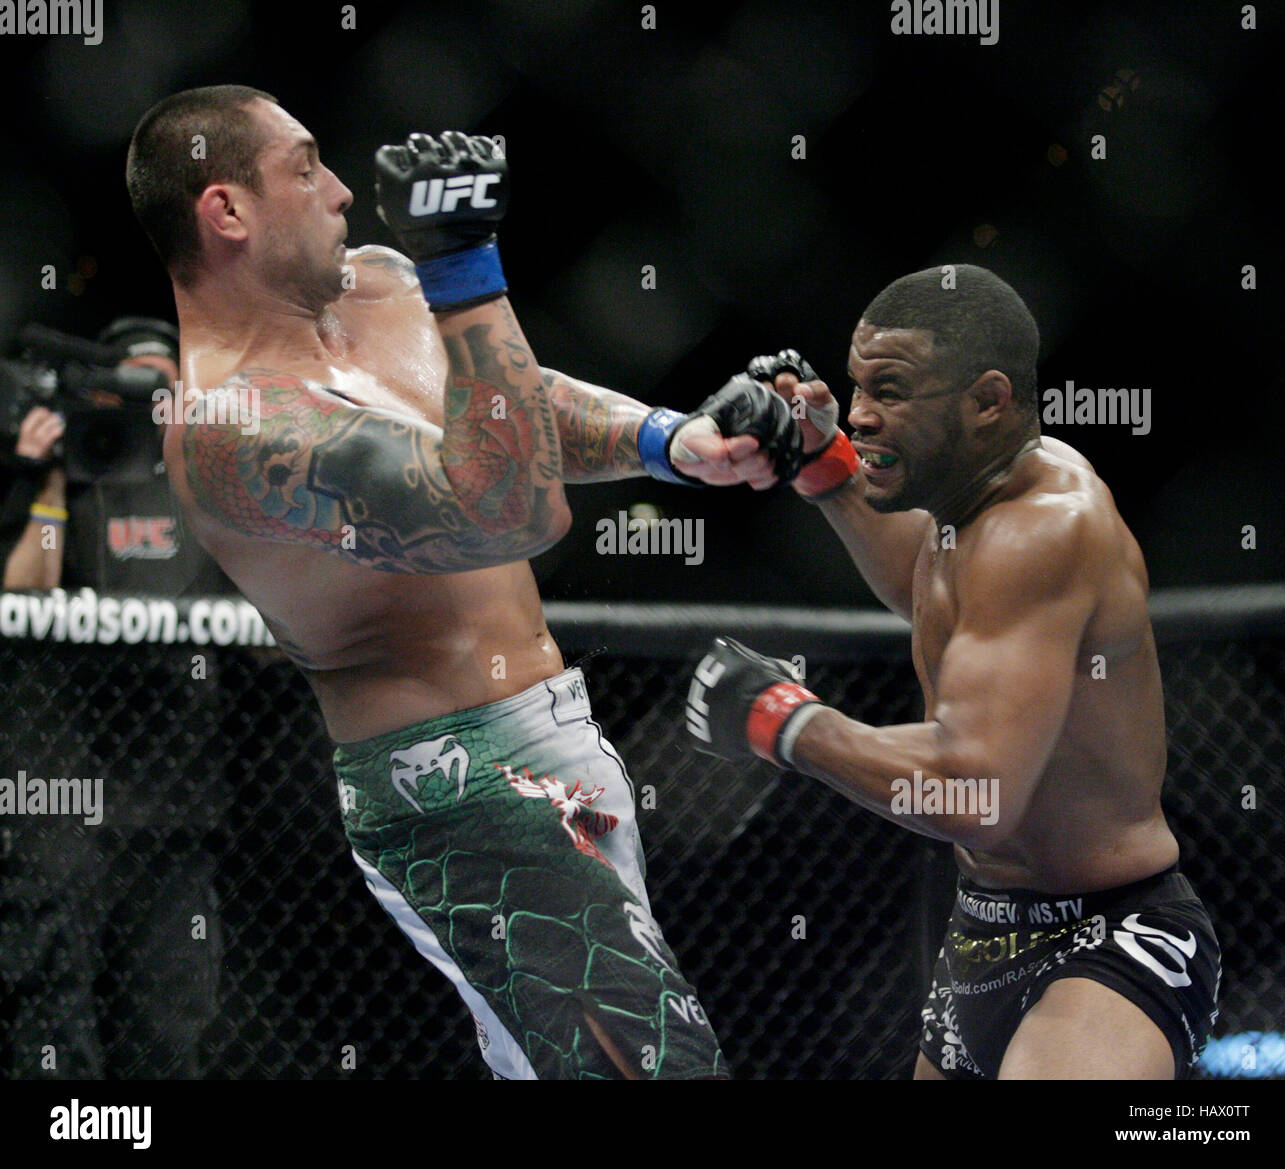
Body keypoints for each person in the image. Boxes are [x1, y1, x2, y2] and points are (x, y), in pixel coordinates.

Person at [125, 84, 800, 1079]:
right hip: (459, 792)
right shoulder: (228, 430)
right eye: (306, 168)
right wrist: (468, 273)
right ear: (226, 210)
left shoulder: (384, 285)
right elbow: (505, 509)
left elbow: (506, 406)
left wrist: (671, 440)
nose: (345, 191)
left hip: (554, 731)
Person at [684, 265, 1220, 1080]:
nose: (859, 413)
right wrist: (823, 468)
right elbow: (919, 589)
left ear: (988, 399)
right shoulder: (970, 504)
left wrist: (783, 720)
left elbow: (977, 792)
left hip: (1111, 941)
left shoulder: (1045, 528)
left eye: (890, 391)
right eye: (857, 385)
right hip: (979, 936)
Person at [0, 321, 230, 1078]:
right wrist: (51, 477)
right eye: (130, 388)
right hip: (69, 803)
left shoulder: (210, 488)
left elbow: (272, 628)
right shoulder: (82, 471)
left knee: (169, 1023)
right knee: (55, 1016)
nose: (147, 406)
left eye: (160, 388)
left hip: (173, 804)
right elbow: (25, 594)